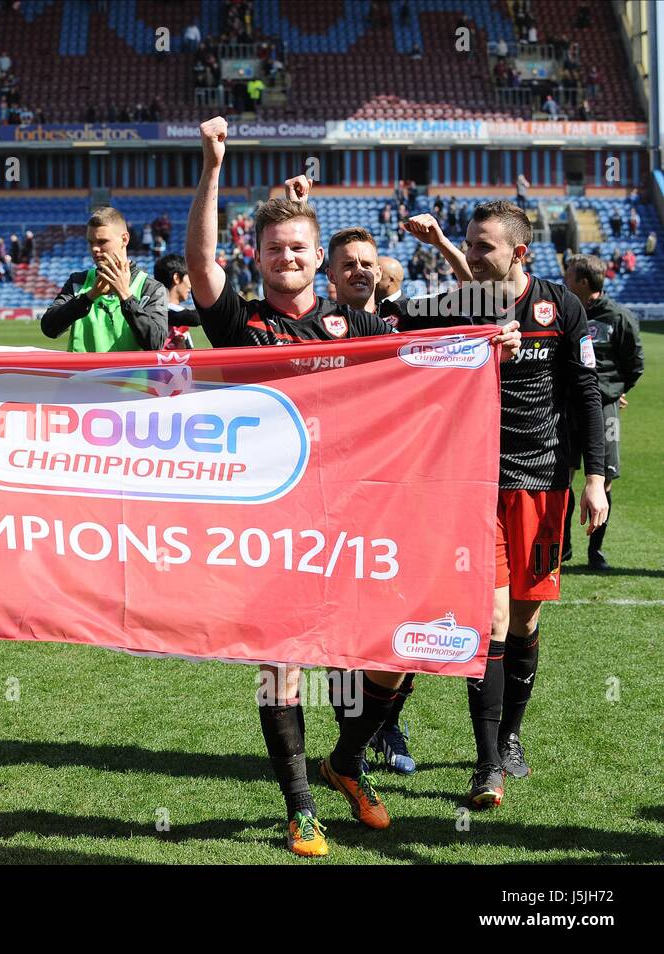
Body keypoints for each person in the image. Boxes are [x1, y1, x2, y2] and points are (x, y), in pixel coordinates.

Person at [192, 123, 517, 858]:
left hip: (359, 512)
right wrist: (212, 169)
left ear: (318, 259)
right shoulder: (239, 322)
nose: (286, 258)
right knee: (284, 663)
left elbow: (453, 330)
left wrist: (484, 339)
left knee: (399, 649)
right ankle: (301, 806)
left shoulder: (358, 321)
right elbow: (201, 260)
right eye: (274, 249)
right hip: (273, 516)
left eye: (298, 249)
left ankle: (346, 760)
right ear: (261, 257)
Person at [398, 204, 609, 807]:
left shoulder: (560, 308)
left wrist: (595, 478)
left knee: (525, 622)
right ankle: (488, 766)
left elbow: (588, 394)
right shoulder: (468, 306)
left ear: (518, 253)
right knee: (488, 623)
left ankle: (511, 735)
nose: (473, 255)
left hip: (543, 484)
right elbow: (395, 328)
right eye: (468, 245)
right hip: (477, 484)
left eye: (482, 246)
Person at [560, 255, 645, 570]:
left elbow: (634, 363)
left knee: (604, 480)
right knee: (561, 477)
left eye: (568, 276)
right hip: (567, 406)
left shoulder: (618, 316)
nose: (564, 281)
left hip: (604, 407)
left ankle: (595, 551)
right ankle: (563, 544)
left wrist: (617, 390)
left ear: (583, 281)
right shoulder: (565, 312)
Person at [39, 207, 167, 352]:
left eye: (102, 242)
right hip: (83, 375)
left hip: (130, 375)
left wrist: (126, 297)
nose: (94, 248)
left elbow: (155, 344)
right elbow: (49, 329)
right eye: (90, 242)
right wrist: (89, 297)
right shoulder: (78, 282)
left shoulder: (151, 288)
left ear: (124, 239)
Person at [154, 253, 197, 349]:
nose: (190, 284)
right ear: (176, 278)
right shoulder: (160, 310)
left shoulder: (179, 317)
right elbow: (195, 318)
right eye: (188, 277)